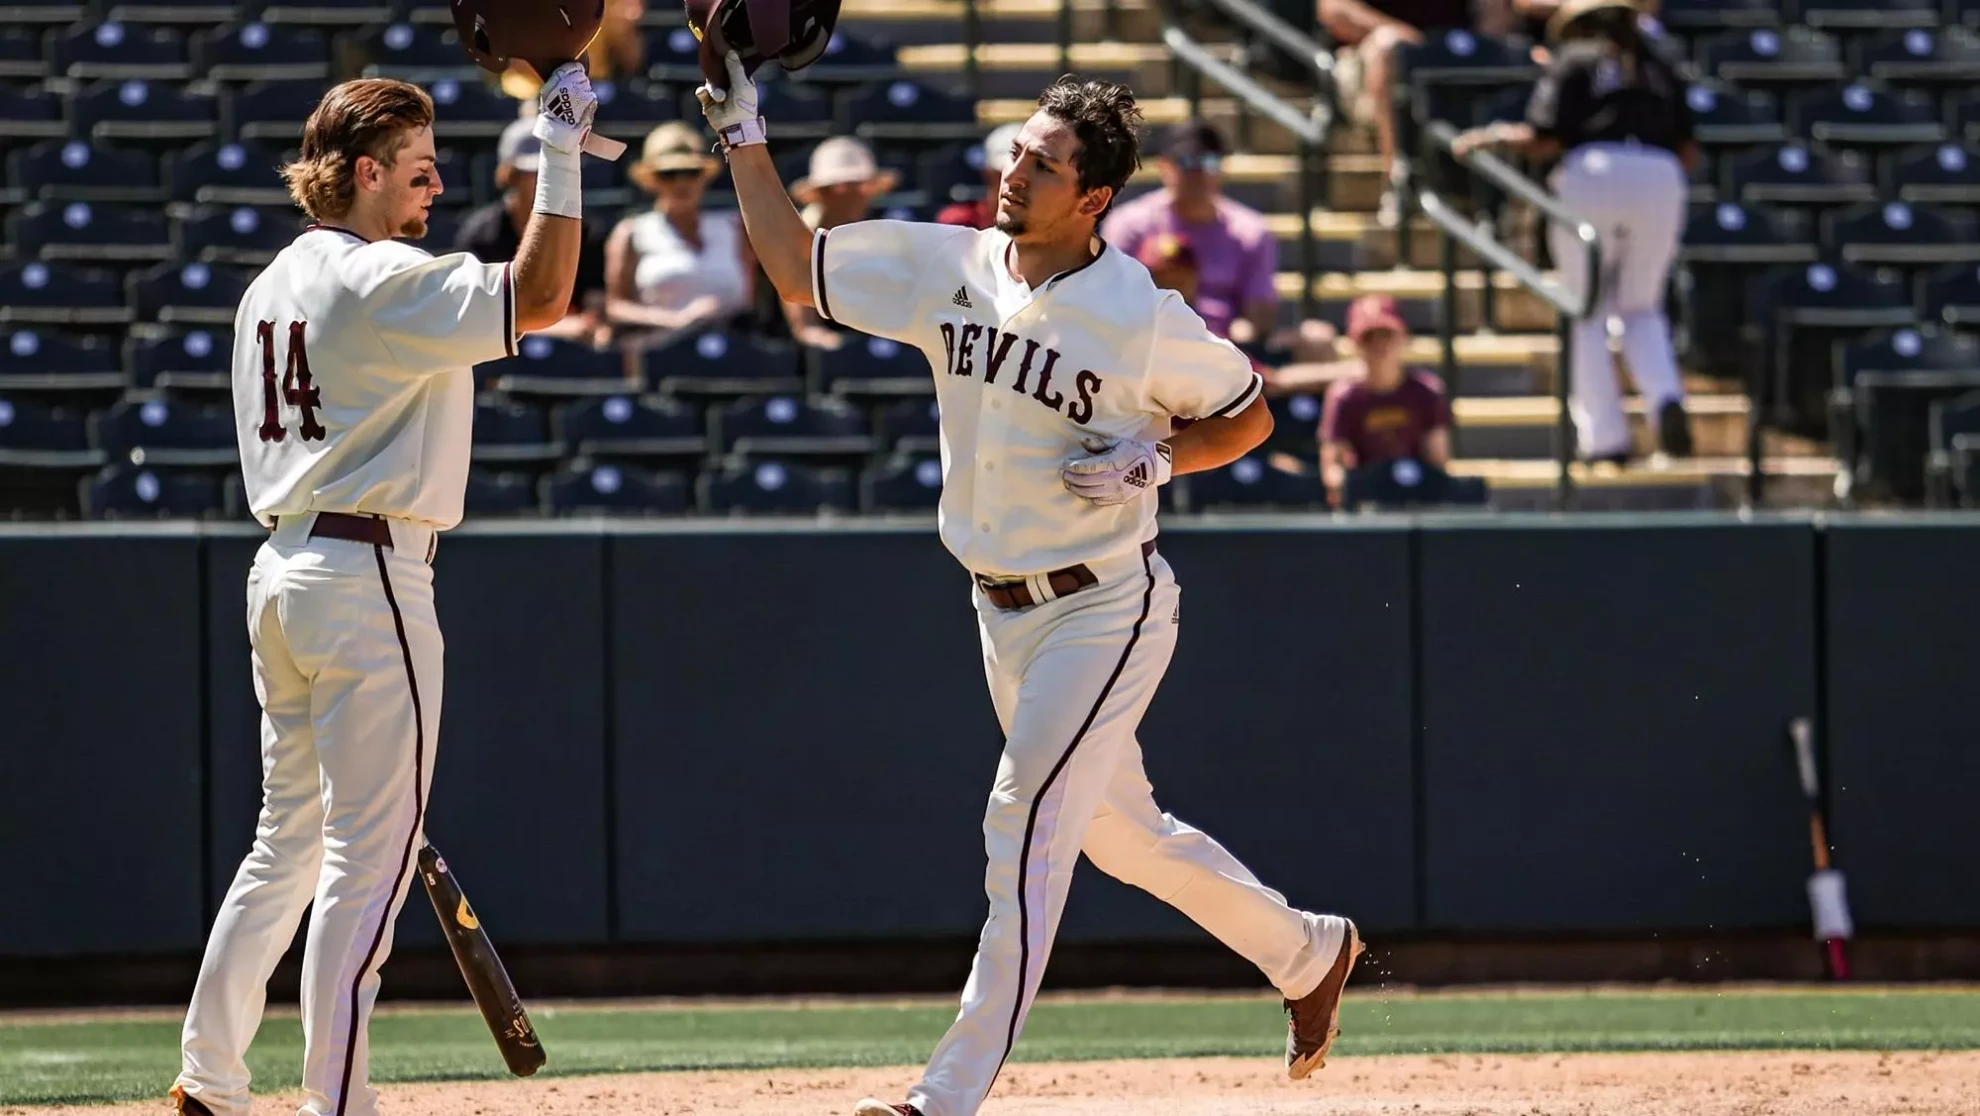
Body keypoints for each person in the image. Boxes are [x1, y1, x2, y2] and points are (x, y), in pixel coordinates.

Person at [695, 56, 1363, 1116]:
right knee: (1122, 837)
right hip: (998, 607)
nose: (1015, 172)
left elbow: (1248, 413)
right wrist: (744, 139)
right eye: (1018, 150)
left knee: (1023, 819)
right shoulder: (951, 262)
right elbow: (792, 266)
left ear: (1094, 197)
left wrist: (1161, 463)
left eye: (1043, 163)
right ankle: (1307, 952)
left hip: (1107, 602)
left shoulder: (1137, 311)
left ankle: (944, 1095)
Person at [169, 70, 598, 1116]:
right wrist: (562, 153)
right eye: (416, 169)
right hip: (369, 573)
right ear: (364, 172)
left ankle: (210, 1078)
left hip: (285, 568)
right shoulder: (379, 275)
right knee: (367, 863)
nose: (436, 187)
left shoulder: (270, 281)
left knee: (288, 846)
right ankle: (338, 1103)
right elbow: (541, 296)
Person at [1451, 0, 1695, 463]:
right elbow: (1688, 149)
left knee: (1585, 308)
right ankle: (1665, 401)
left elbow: (1547, 136)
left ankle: (1605, 438)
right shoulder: (1660, 64)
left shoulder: (1576, 60)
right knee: (1642, 307)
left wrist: (1494, 137)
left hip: (1593, 171)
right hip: (1663, 176)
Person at [1103, 120, 1337, 367]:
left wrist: (1237, 334)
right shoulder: (1130, 225)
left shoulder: (1249, 231)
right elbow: (1111, 302)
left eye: (1210, 162)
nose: (1200, 173)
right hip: (1148, 345)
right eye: (1188, 162)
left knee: (1318, 339)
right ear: (1165, 167)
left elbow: (1259, 319)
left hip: (1227, 348)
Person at [1320, 0, 1509, 226]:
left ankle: (1492, 196)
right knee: (1386, 46)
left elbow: (1496, 16)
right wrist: (1403, 34)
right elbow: (1334, 11)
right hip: (1367, 60)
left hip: (1447, 56)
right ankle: (1398, 181)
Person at [454, 117, 610, 343]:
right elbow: (475, 319)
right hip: (500, 356)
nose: (549, 181)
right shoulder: (481, 235)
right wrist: (556, 328)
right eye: (537, 172)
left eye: (555, 171)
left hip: (575, 354)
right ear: (510, 176)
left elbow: (594, 313)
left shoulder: (587, 233)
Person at [605, 120, 757, 337]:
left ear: (703, 176)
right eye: (669, 174)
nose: (681, 183)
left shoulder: (735, 228)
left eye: (691, 172)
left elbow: (748, 302)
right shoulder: (631, 232)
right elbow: (616, 307)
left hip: (734, 351)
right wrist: (677, 320)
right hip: (658, 352)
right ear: (651, 180)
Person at [1319, 295, 1458, 508]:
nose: (1380, 346)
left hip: (1417, 498)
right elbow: (1332, 466)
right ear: (1355, 344)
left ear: (1404, 339)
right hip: (1367, 505)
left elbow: (1438, 461)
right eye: (1369, 338)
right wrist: (1350, 491)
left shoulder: (1428, 391)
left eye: (1387, 336)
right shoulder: (1343, 396)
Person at [784, 134, 899, 346]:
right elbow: (805, 326)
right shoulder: (801, 238)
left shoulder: (876, 234)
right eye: (852, 186)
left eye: (865, 186)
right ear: (828, 191)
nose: (862, 195)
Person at [936, 122, 1023, 231]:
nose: (1014, 181)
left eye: (1022, 174)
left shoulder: (1049, 228)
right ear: (987, 173)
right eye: (1003, 173)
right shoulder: (958, 222)